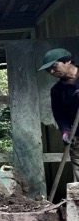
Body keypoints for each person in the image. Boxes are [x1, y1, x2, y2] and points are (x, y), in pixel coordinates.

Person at [39, 48, 79, 180]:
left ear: (68, 61)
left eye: (54, 66)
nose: (51, 71)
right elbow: (60, 115)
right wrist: (66, 131)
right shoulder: (57, 91)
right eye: (48, 70)